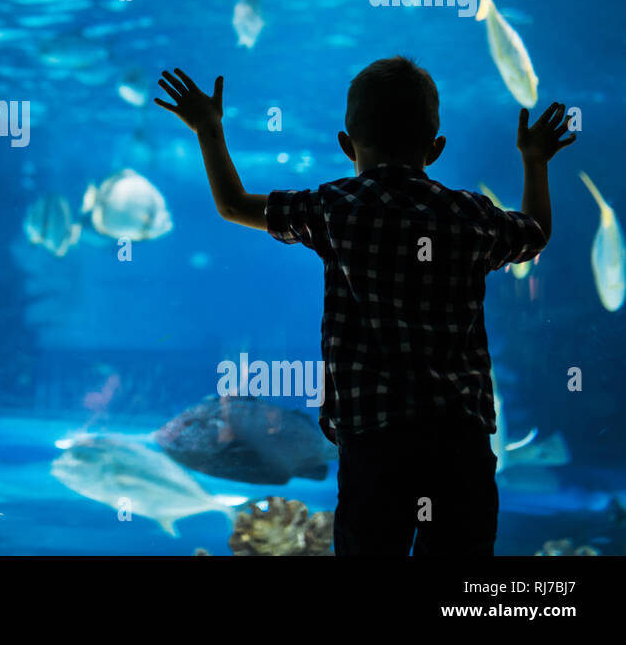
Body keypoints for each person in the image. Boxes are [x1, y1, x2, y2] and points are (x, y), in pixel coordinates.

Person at [154, 56, 576, 555]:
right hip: (458, 440)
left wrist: (207, 127)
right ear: (436, 148)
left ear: (346, 144)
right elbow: (536, 234)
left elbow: (233, 203)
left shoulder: (335, 208)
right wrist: (535, 160)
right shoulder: (471, 215)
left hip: (374, 442)